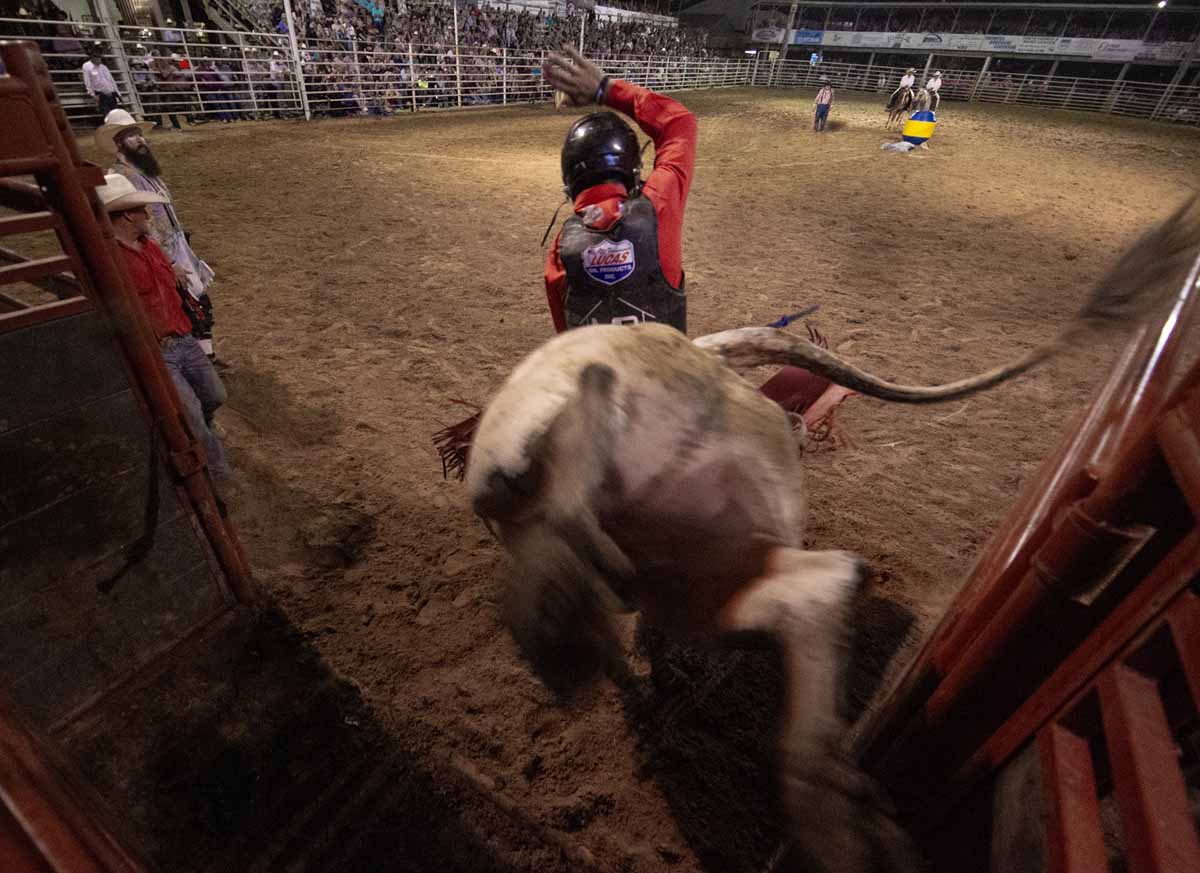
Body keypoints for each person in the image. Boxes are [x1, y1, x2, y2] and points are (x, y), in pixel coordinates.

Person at [541, 45, 694, 333]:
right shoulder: (658, 207)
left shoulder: (561, 250)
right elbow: (679, 122)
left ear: (569, 179)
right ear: (632, 169)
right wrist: (605, 89)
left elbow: (566, 336)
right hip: (667, 376)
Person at [96, 173, 229, 480]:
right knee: (191, 415)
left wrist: (173, 270)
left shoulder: (150, 247)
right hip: (158, 349)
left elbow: (166, 275)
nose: (149, 215)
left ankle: (207, 437)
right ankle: (217, 475)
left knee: (214, 396)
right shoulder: (113, 260)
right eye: (143, 210)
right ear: (128, 215)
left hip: (183, 336)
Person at [96, 109, 218, 359]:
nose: (140, 140)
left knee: (196, 299)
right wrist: (167, 261)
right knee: (183, 303)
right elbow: (134, 226)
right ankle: (198, 359)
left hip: (174, 242)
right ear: (118, 143)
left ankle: (207, 357)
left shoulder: (143, 171)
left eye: (139, 134)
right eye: (131, 136)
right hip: (158, 250)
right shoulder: (120, 177)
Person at [82, 43, 121, 116]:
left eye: (99, 56)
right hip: (100, 94)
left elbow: (111, 80)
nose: (98, 58)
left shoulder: (104, 67)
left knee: (116, 115)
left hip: (111, 93)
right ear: (92, 56)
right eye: (96, 56)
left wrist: (117, 93)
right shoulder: (86, 66)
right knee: (107, 116)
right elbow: (87, 82)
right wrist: (93, 95)